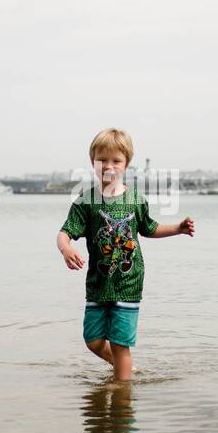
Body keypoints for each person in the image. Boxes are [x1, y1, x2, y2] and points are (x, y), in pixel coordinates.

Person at [56, 127, 194, 381]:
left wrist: (177, 228)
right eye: (102, 160)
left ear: (127, 164)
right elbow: (65, 232)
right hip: (98, 283)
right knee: (93, 341)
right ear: (93, 162)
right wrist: (66, 248)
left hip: (128, 282)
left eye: (116, 160)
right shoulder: (85, 202)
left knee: (120, 344)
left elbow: (149, 228)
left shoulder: (135, 200)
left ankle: (122, 392)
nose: (109, 166)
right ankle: (125, 368)